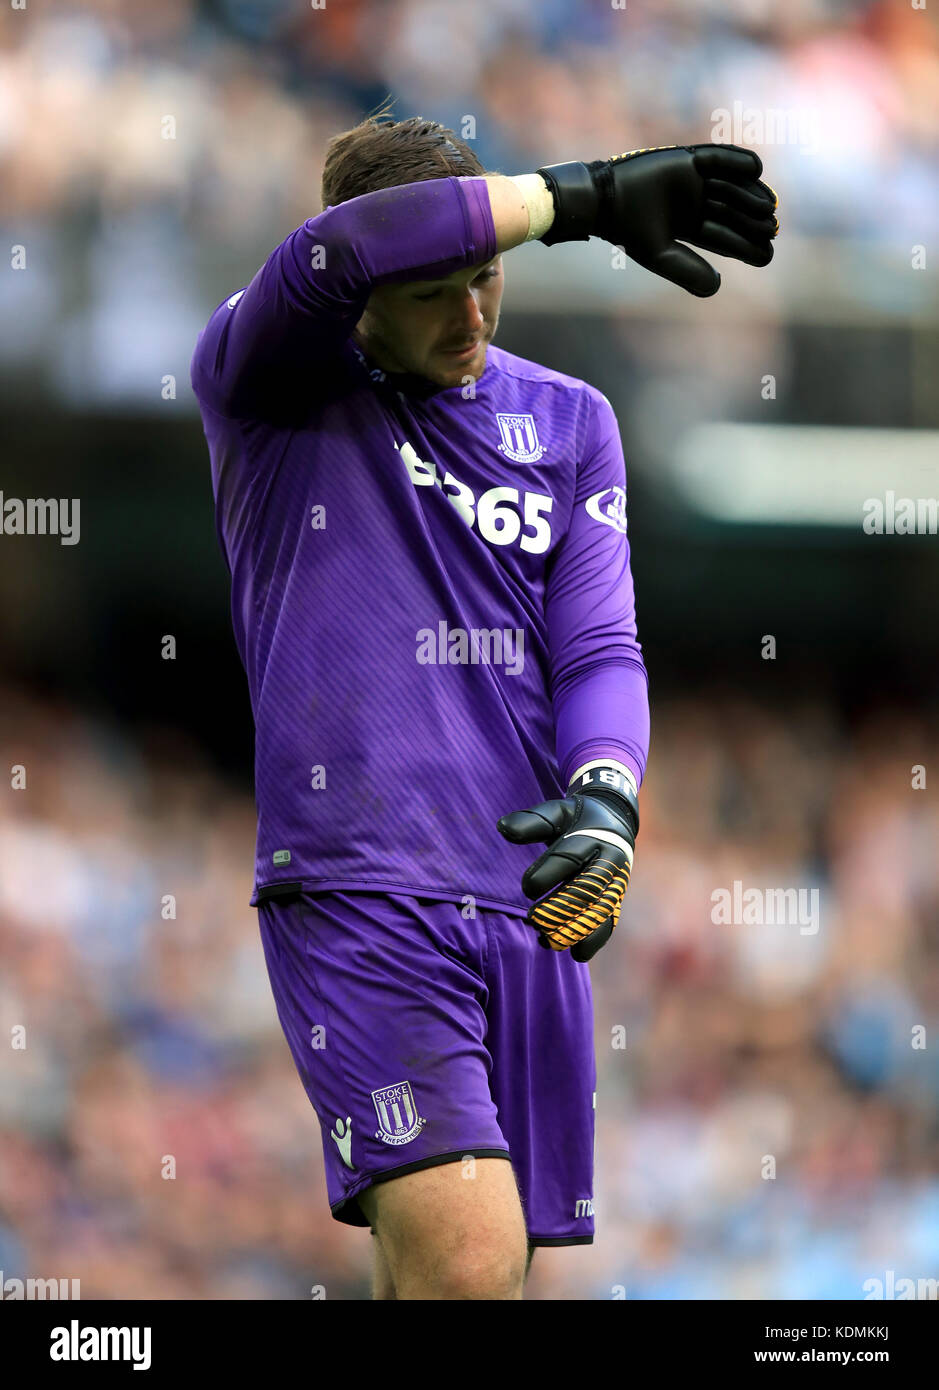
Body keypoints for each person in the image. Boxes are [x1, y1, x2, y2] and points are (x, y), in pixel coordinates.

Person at [191, 109, 777, 1300]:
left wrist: (607, 795)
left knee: (481, 1279)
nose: (470, 317)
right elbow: (361, 240)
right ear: (360, 294)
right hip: (365, 887)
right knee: (463, 1266)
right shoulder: (268, 380)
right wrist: (588, 197)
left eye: (486, 281)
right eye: (434, 293)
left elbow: (600, 645)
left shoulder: (572, 424)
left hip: (521, 898)